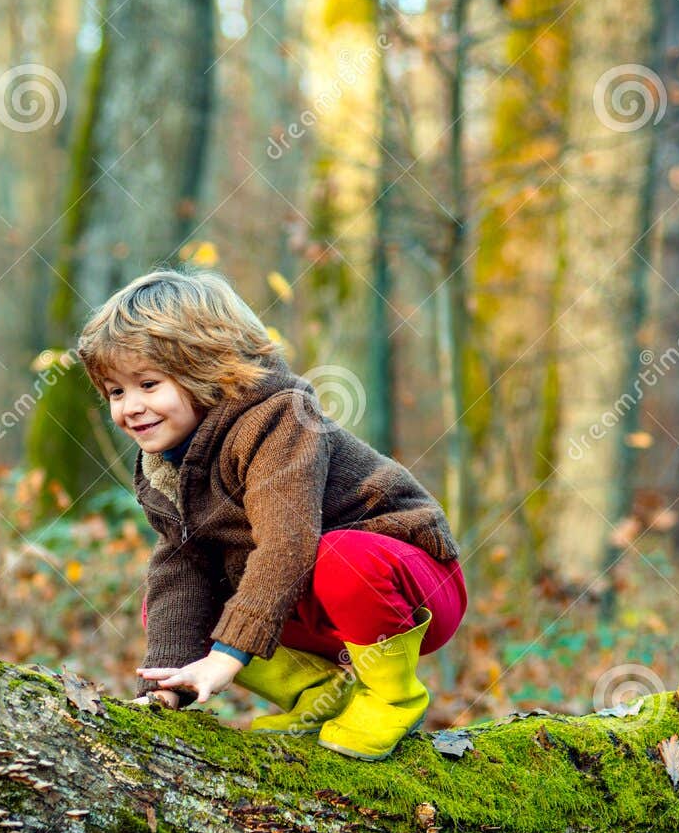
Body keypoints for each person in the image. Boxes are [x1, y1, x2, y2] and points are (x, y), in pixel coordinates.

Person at [76, 267, 468, 761]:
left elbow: (287, 543)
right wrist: (165, 683)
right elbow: (181, 568)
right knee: (168, 599)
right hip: (317, 609)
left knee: (339, 557)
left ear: (207, 368)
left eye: (148, 385)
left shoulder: (279, 417)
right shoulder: (165, 465)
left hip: (414, 589)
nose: (130, 407)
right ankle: (317, 694)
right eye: (116, 392)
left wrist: (226, 657)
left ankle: (393, 695)